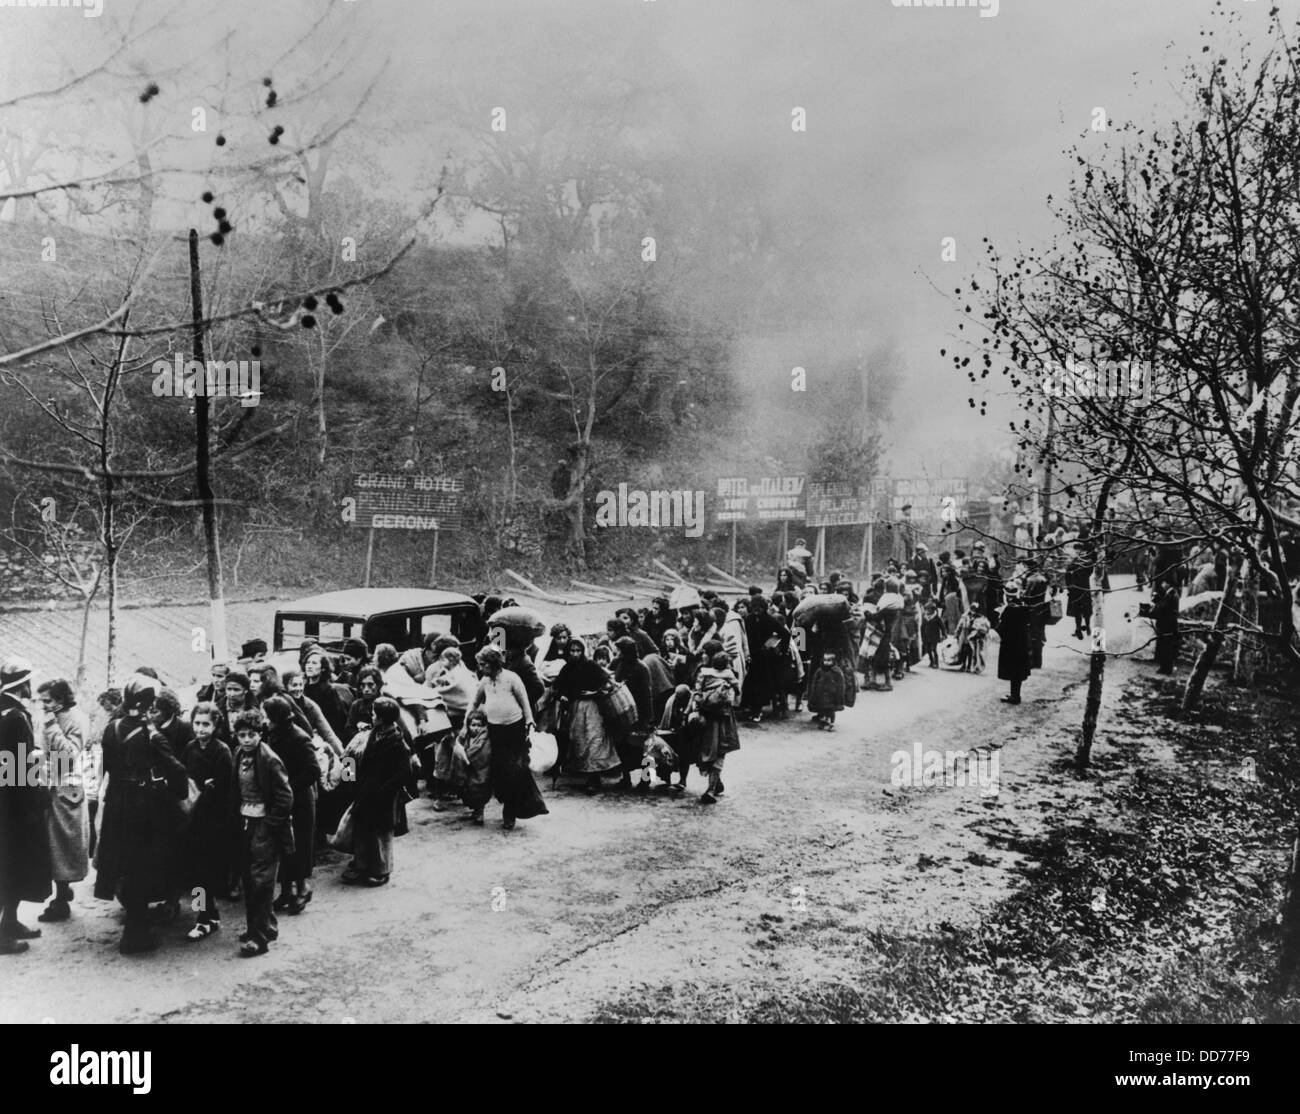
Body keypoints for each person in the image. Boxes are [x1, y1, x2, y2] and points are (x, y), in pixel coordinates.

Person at [94, 675, 189, 955]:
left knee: (123, 864)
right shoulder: (152, 735)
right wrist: (180, 795)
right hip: (144, 807)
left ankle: (134, 923)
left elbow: (108, 767)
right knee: (143, 865)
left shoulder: (111, 729)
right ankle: (136, 932)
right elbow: (176, 770)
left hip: (117, 805)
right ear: (149, 704)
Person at [230, 709, 294, 957]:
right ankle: (263, 926)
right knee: (248, 877)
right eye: (242, 735)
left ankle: (258, 938)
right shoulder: (238, 754)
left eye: (251, 735)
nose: (246, 740)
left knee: (261, 882)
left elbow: (285, 796)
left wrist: (269, 824)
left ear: (260, 734)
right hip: (245, 823)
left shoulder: (269, 759)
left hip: (264, 827)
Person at [1, 658, 50, 954]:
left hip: (6, 798)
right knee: (12, 866)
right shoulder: (16, 717)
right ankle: (4, 934)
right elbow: (18, 767)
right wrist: (39, 798)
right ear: (22, 685)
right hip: (15, 806)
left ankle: (10, 921)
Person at [471, 646, 547, 830]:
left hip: (515, 730)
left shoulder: (512, 678)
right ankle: (497, 804)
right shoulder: (484, 681)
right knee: (498, 770)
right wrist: (468, 720)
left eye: (484, 665)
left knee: (514, 770)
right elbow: (474, 702)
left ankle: (510, 811)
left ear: (493, 663)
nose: (481, 668)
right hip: (495, 731)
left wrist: (529, 721)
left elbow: (524, 702)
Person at [35, 679, 89, 924]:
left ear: (61, 699)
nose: (43, 705)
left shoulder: (75, 719)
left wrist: (51, 726)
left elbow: (68, 754)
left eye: (47, 700)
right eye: (41, 700)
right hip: (48, 784)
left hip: (67, 787)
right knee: (51, 843)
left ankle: (61, 899)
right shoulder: (47, 717)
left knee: (64, 843)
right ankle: (62, 889)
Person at [262, 695, 320, 916]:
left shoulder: (299, 738)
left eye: (266, 716)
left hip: (300, 802)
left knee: (300, 847)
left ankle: (303, 888)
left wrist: (287, 789)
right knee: (283, 847)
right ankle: (286, 891)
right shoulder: (272, 734)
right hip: (281, 802)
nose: (263, 720)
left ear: (276, 718)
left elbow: (313, 770)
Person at [342, 697, 409, 886]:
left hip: (384, 796)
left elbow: (404, 774)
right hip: (365, 791)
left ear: (381, 718)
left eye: (374, 713)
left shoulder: (396, 742)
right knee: (362, 829)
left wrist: (384, 790)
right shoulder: (370, 734)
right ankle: (361, 864)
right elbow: (350, 756)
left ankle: (382, 870)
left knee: (382, 833)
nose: (371, 716)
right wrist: (351, 784)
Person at [182, 702, 234, 940]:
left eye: (206, 724)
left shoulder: (221, 751)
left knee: (207, 872)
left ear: (215, 726)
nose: (200, 729)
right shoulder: (191, 748)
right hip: (194, 817)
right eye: (197, 723)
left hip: (214, 821)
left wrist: (210, 789)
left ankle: (204, 919)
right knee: (195, 872)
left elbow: (226, 786)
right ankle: (207, 915)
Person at [552, 639, 620, 793]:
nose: (575, 654)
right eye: (572, 651)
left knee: (594, 740)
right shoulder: (567, 668)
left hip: (593, 708)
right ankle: (584, 775)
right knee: (580, 741)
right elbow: (558, 687)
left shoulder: (591, 666)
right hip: (576, 708)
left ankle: (594, 779)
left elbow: (608, 684)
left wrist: (594, 693)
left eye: (578, 651)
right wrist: (562, 695)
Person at [692, 651, 741, 803]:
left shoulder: (702, 672)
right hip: (723, 718)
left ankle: (713, 786)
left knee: (706, 750)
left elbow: (697, 693)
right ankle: (713, 787)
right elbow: (737, 692)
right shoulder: (729, 675)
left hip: (705, 718)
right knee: (720, 751)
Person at [613, 636, 655, 793]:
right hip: (624, 712)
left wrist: (648, 719)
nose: (618, 655)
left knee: (645, 748)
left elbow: (646, 694)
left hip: (641, 713)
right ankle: (626, 778)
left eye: (620, 651)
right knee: (623, 746)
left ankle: (647, 779)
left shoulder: (641, 668)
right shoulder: (621, 665)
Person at [994, 585, 1033, 705]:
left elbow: (1002, 628)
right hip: (1021, 643)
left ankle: (1015, 697)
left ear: (1007, 596)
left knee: (1013, 670)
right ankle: (1016, 695)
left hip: (1010, 645)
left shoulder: (1009, 609)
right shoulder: (1024, 606)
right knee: (1018, 671)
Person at [807, 650, 846, 730]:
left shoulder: (837, 672)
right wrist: (814, 692)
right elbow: (814, 681)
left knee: (831, 710)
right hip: (821, 695)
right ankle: (823, 721)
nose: (826, 662)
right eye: (825, 660)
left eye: (829, 660)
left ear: (833, 661)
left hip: (832, 695)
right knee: (823, 709)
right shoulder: (820, 671)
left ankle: (831, 723)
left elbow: (841, 684)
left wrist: (839, 695)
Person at [1152, 580, 1180, 674]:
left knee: (1165, 647)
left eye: (1164, 583)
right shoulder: (1172, 593)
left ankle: (1165, 668)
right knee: (1166, 647)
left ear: (1169, 583)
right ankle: (1165, 667)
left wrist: (1156, 605)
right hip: (1170, 624)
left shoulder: (1170, 595)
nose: (1163, 585)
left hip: (1167, 625)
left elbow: (1162, 608)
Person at [921, 600, 945, 668]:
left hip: (934, 636)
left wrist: (944, 634)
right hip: (927, 636)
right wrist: (922, 635)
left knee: (934, 649)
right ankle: (931, 661)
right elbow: (922, 627)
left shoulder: (936, 617)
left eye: (929, 609)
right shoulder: (925, 617)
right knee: (928, 650)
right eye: (927, 609)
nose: (928, 611)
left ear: (933, 609)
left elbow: (942, 626)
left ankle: (936, 663)